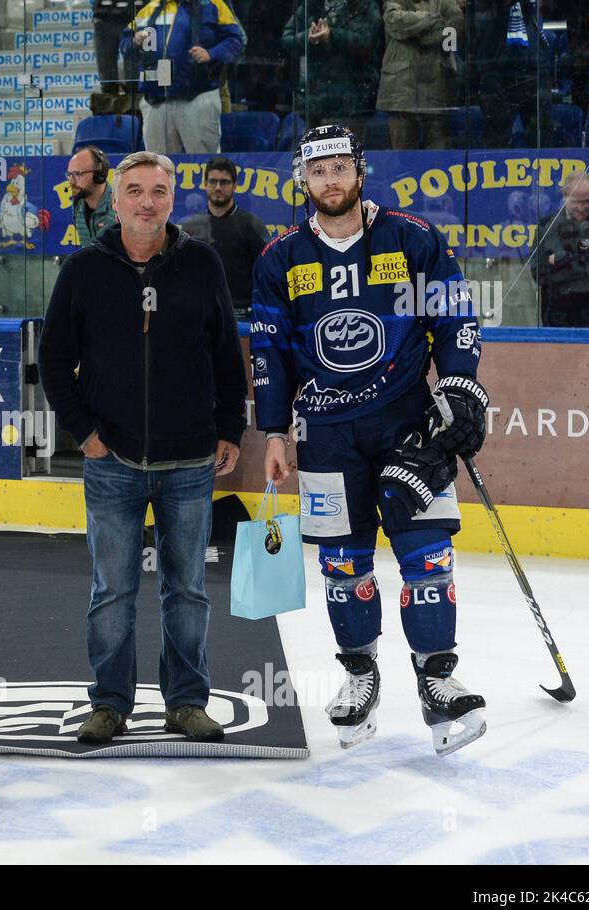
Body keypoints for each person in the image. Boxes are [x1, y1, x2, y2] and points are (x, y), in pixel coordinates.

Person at [251, 125, 489, 756]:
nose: (330, 181)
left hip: (408, 425)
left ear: (360, 172)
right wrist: (275, 430)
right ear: (302, 180)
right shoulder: (281, 258)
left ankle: (437, 679)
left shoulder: (410, 238)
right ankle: (360, 674)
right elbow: (270, 352)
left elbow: (456, 314)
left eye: (339, 168)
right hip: (326, 434)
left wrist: (460, 389)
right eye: (317, 171)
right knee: (343, 565)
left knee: (428, 556)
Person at [38, 151, 248, 745]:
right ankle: (109, 703)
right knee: (113, 591)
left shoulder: (202, 263)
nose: (146, 202)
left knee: (188, 590)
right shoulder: (83, 269)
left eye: (158, 190)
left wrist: (229, 429)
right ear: (116, 196)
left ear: (172, 197)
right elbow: (54, 361)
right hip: (114, 462)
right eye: (134, 191)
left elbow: (228, 357)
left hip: (190, 462)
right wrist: (87, 434)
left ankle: (186, 702)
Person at [122, 0, 245, 154]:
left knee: (203, 165)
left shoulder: (213, 4)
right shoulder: (151, 7)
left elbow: (235, 40)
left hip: (198, 97)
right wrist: (134, 42)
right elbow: (125, 42)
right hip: (156, 101)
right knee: (159, 168)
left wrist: (211, 54)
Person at [180, 155, 267, 316]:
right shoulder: (190, 227)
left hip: (242, 315)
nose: (218, 187)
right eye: (213, 181)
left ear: (235, 186)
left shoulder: (252, 225)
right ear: (205, 184)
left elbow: (266, 275)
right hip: (201, 312)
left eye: (225, 182)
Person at [531, 171, 589, 328]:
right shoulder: (546, 227)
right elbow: (538, 273)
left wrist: (560, 259)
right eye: (576, 202)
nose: (581, 208)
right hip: (557, 317)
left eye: (587, 202)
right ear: (564, 195)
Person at [281, 0, 380, 135]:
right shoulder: (311, 5)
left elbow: (369, 42)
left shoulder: (364, 5)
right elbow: (287, 39)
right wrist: (309, 38)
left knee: (346, 153)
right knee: (316, 154)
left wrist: (332, 35)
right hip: (316, 100)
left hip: (353, 100)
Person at [376, 0, 463, 149]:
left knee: (438, 158)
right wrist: (433, 19)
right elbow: (393, 20)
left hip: (437, 88)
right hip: (401, 90)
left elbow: (457, 24)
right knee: (402, 157)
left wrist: (420, 34)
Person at [471, 0, 552, 148]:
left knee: (541, 136)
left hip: (533, 68)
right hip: (497, 71)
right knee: (497, 139)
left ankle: (543, 171)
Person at [66, 144, 117, 248]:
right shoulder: (78, 203)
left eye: (77, 174)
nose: (71, 181)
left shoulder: (116, 210)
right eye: (69, 174)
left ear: (98, 175)